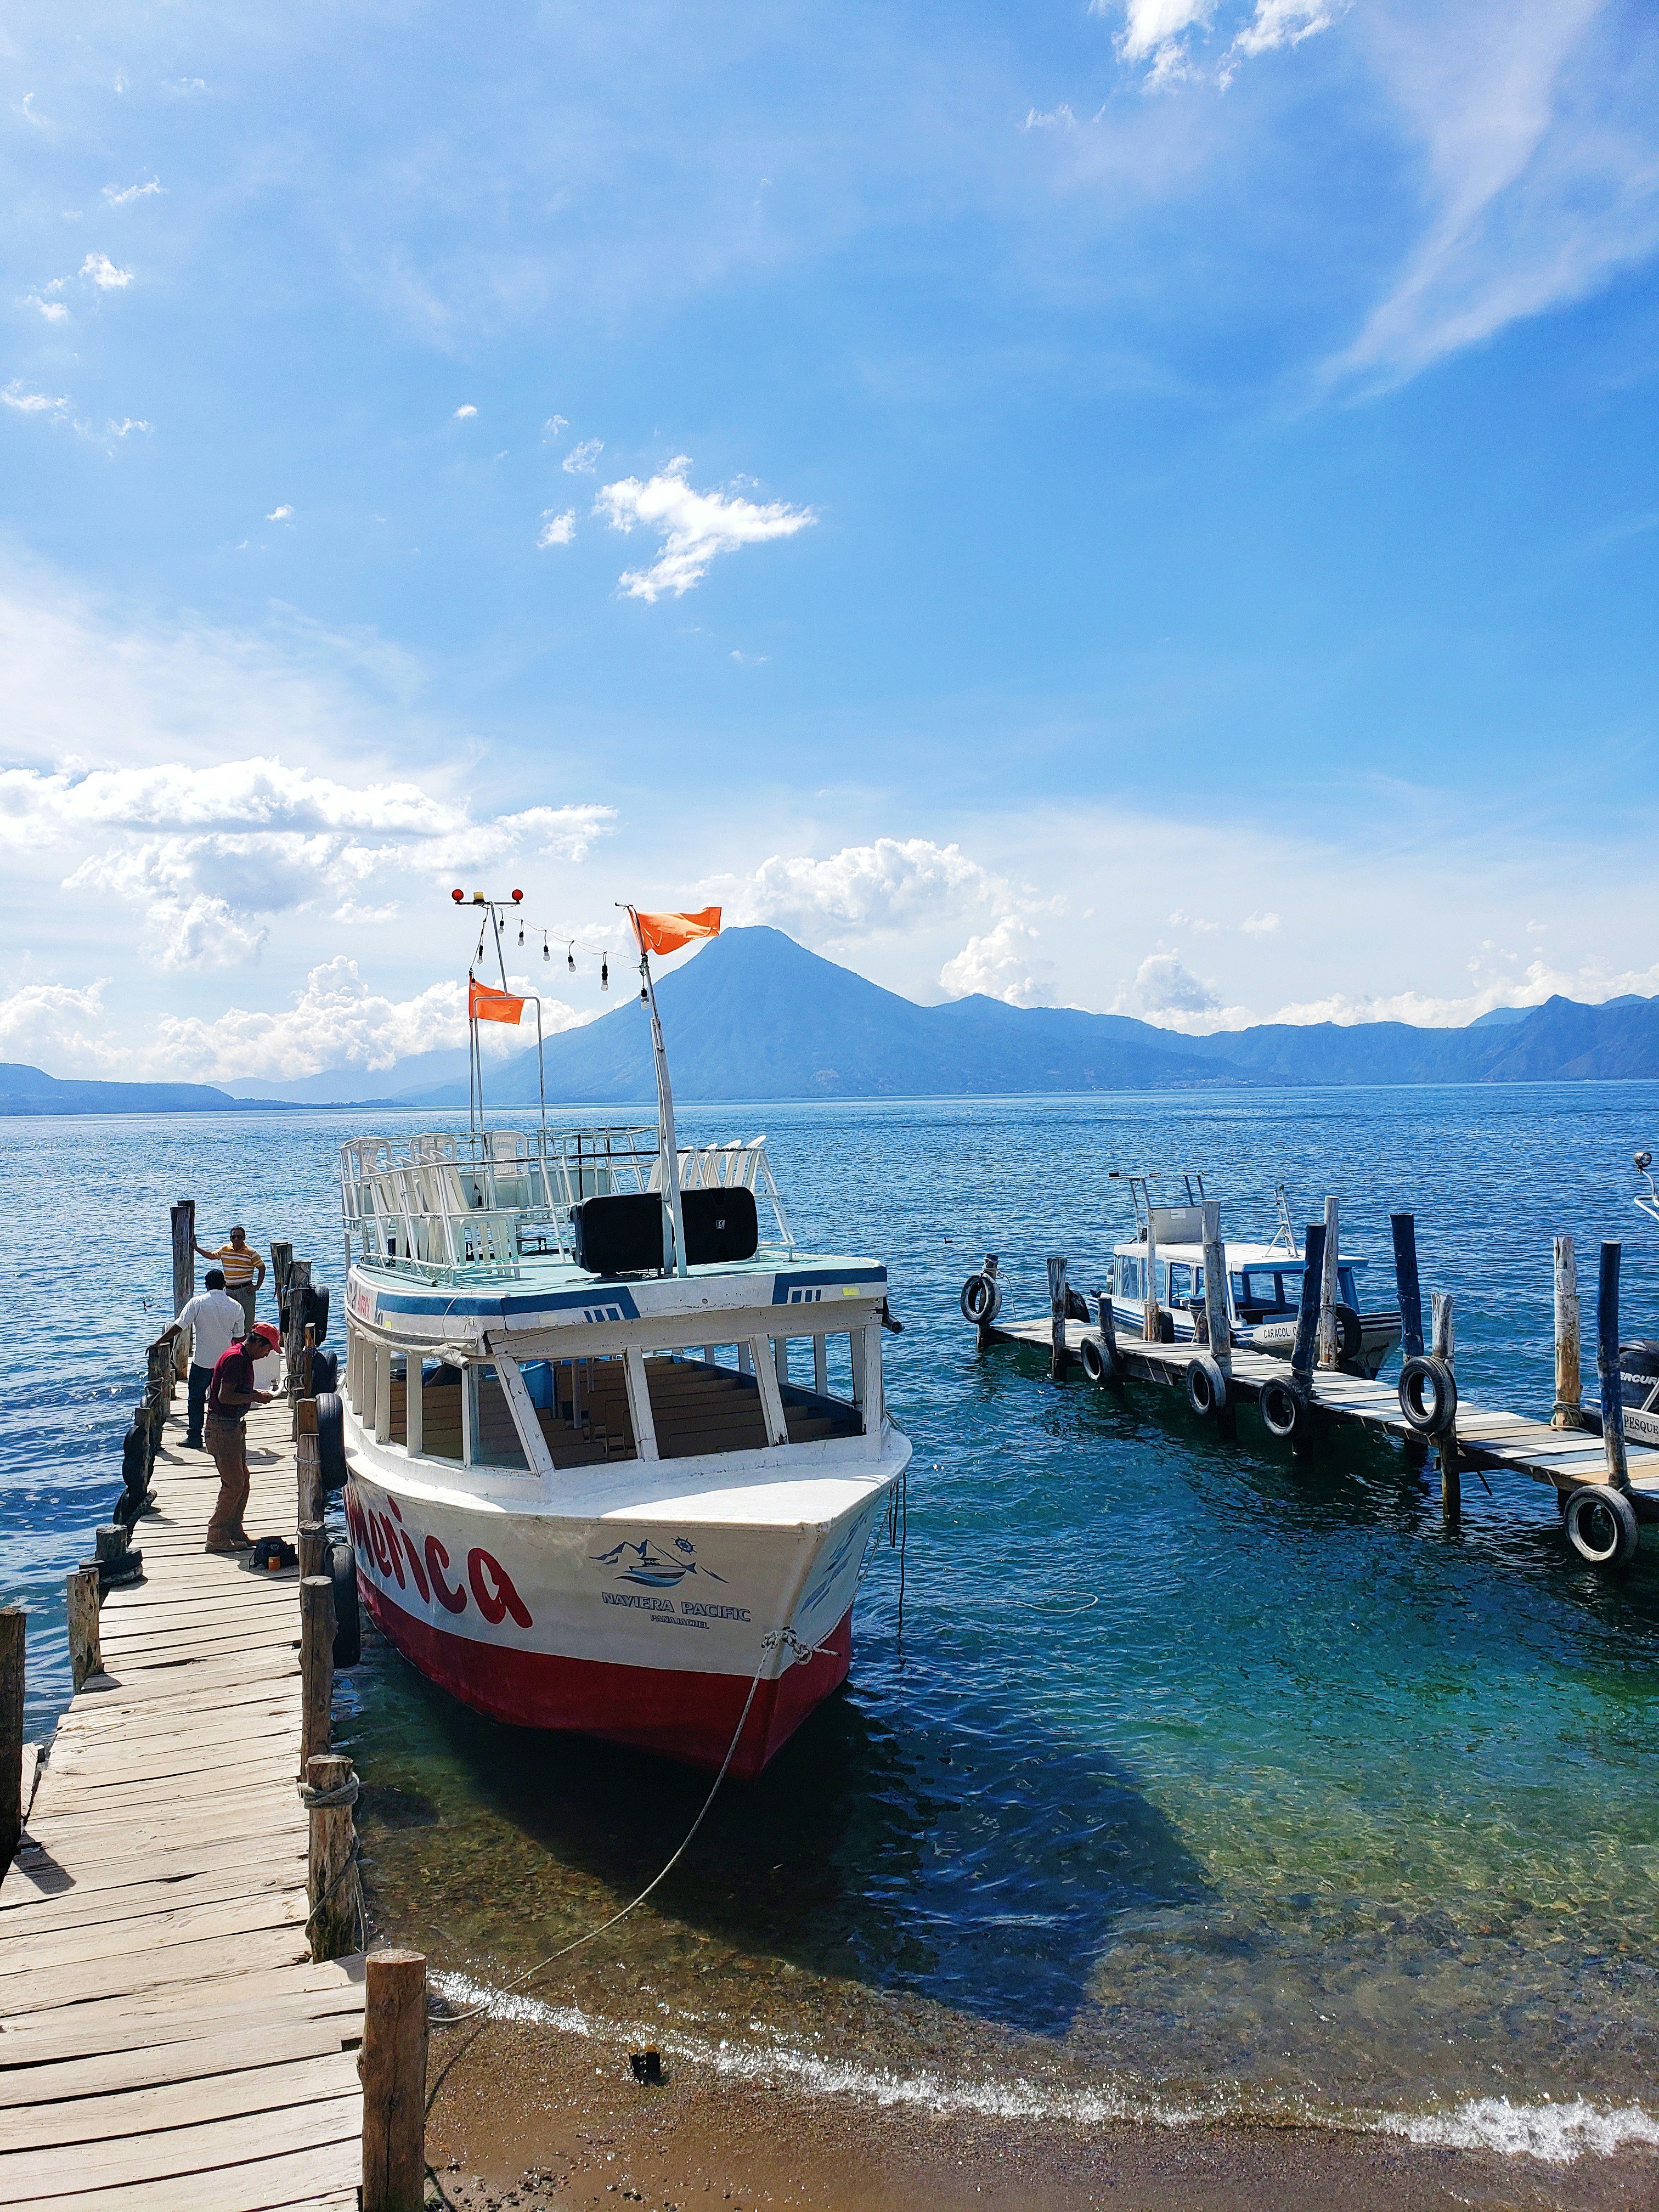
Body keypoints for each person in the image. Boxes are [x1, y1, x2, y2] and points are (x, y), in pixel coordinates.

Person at [202, 1333, 272, 1553]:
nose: (267, 1354)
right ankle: (216, 1536)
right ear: (258, 1342)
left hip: (232, 1426)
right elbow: (225, 1397)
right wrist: (255, 1398)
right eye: (267, 1349)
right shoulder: (235, 1359)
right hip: (223, 1428)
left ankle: (234, 1531)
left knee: (242, 1479)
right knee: (233, 1484)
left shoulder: (243, 1358)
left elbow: (235, 1393)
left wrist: (254, 1394)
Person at [176, 1268, 246, 1450]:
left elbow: (179, 1326)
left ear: (206, 1285)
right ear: (224, 1285)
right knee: (223, 1399)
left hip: (203, 1362)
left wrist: (158, 1342)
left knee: (196, 1398)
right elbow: (239, 1339)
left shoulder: (197, 1303)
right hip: (226, 1362)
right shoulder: (236, 1306)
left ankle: (194, 1436)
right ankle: (225, 1435)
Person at [195, 1224, 267, 1340]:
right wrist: (196, 1248)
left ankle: (246, 1348)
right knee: (228, 1319)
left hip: (245, 1290)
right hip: (228, 1291)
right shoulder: (225, 1250)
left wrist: (257, 1286)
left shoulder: (251, 1252)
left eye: (239, 1237)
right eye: (234, 1237)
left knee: (247, 1322)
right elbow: (212, 1256)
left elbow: (262, 1268)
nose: (236, 1239)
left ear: (244, 1237)